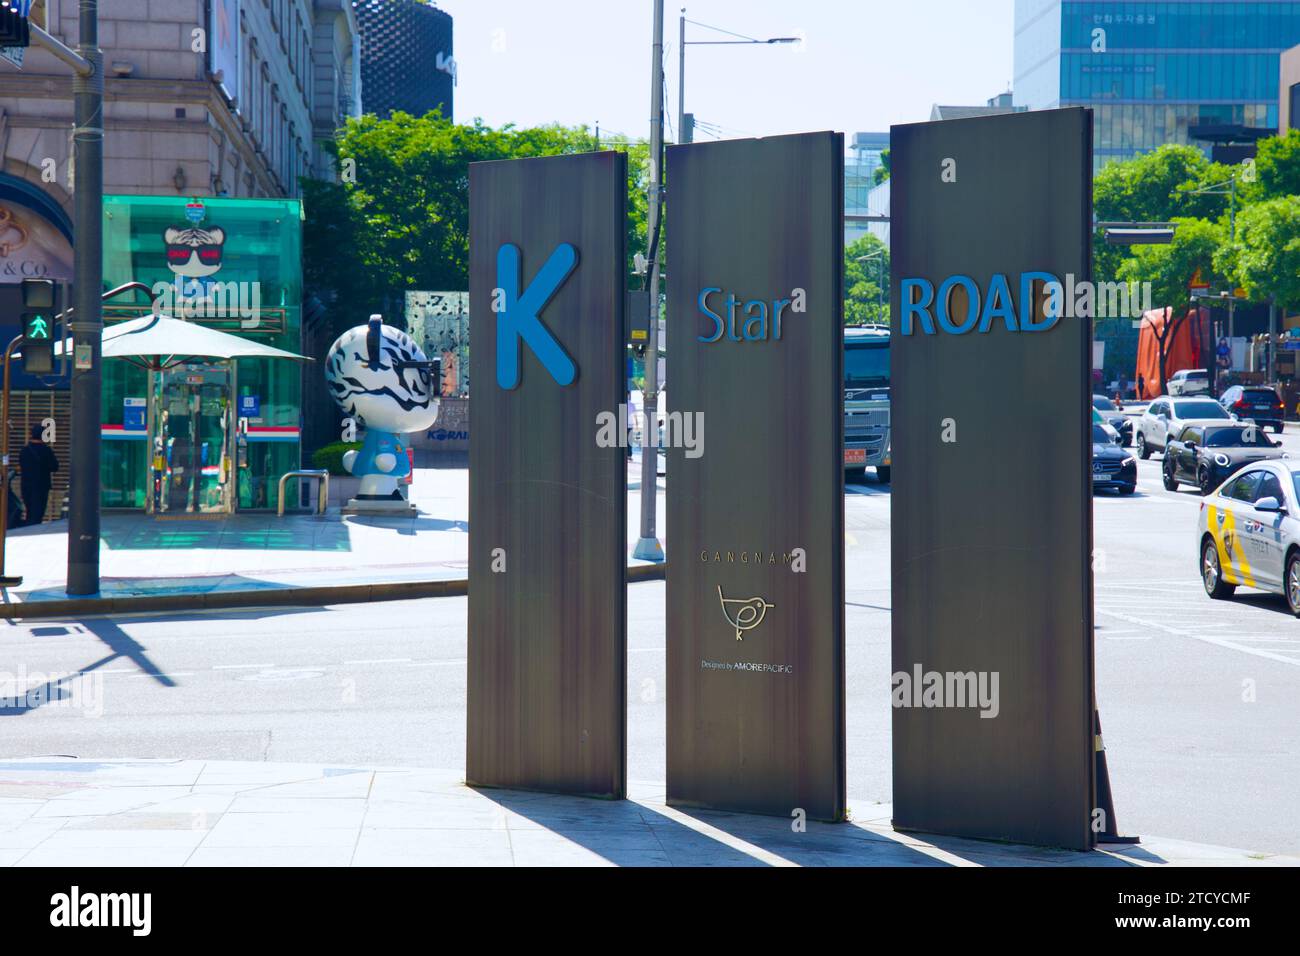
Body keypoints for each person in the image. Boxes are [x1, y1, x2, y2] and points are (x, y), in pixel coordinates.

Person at [18, 423, 58, 527]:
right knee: (38, 513)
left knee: (29, 511)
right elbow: (55, 467)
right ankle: (34, 532)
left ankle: (28, 531)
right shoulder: (46, 450)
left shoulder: (24, 451)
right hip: (41, 486)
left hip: (26, 486)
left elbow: (21, 466)